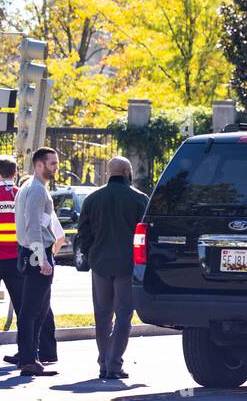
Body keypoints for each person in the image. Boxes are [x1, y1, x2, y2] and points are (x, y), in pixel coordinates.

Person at [0, 156, 57, 370]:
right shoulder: (23, 193)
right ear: (15, 174)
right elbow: (37, 225)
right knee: (24, 307)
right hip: (17, 259)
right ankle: (25, 353)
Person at [76, 156, 149, 380]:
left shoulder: (92, 198)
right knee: (124, 314)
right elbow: (144, 233)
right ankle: (114, 363)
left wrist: (90, 255)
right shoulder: (139, 199)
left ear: (108, 173)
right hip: (127, 265)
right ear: (128, 172)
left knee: (102, 315)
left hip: (99, 264)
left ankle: (103, 361)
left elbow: (83, 233)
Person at [11, 147, 61, 377]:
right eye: (52, 163)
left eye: (56, 163)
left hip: (32, 252)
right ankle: (28, 360)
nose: (56, 167)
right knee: (32, 310)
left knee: (39, 310)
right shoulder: (37, 190)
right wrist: (42, 259)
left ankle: (31, 356)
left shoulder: (29, 187)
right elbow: (33, 227)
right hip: (35, 253)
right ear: (39, 165)